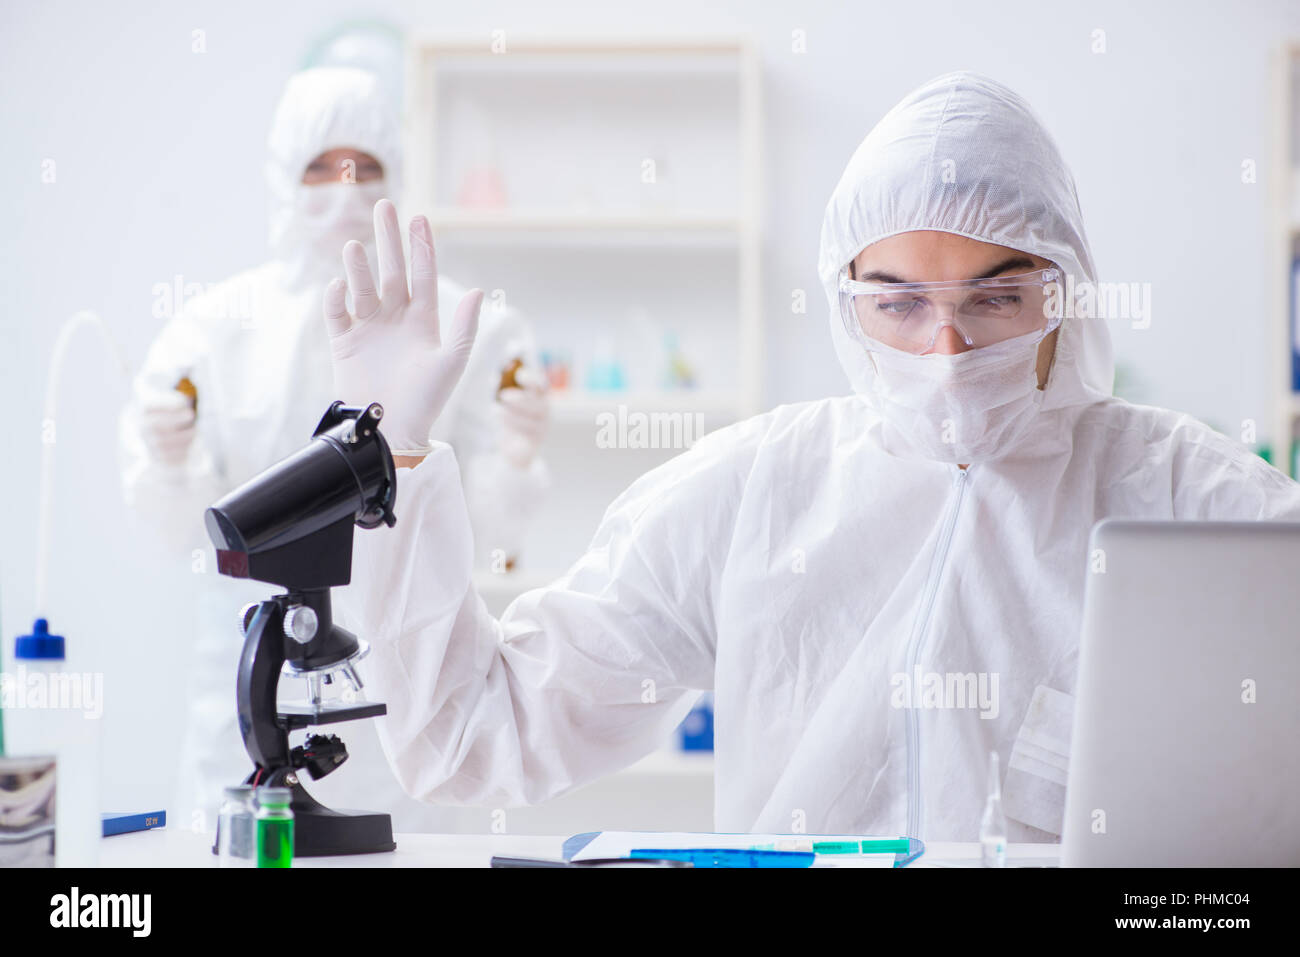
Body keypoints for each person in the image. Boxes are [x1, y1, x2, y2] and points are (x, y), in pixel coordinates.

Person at [324, 72, 1300, 843]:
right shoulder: (751, 490)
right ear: (846, 299)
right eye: (900, 304)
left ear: (1068, 290)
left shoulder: (1179, 492)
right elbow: (467, 740)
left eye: (996, 299)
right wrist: (398, 457)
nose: (947, 351)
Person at [118, 67, 549, 832]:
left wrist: (515, 458)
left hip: (409, 690)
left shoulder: (457, 324)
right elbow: (175, 534)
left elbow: (494, 542)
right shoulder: (215, 326)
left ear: (396, 174)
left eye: (365, 166)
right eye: (321, 166)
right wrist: (169, 464)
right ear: (285, 175)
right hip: (249, 695)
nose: (344, 188)